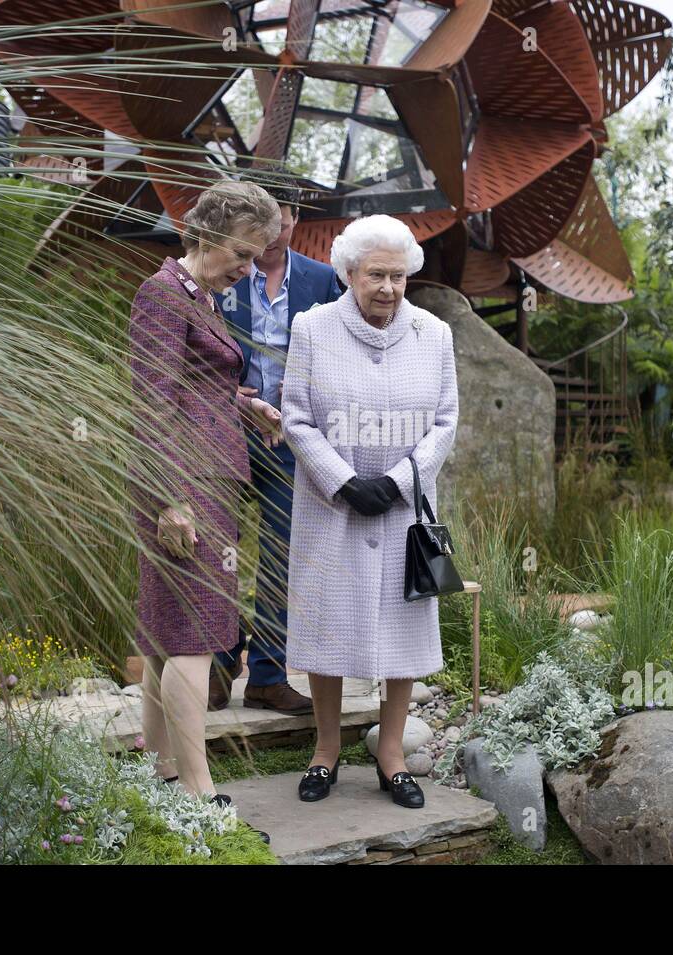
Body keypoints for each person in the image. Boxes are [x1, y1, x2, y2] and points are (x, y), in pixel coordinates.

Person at [279, 214, 459, 809]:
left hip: (404, 511)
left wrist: (401, 481)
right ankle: (325, 751)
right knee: (328, 625)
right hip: (333, 508)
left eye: (398, 275)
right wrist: (344, 481)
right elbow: (296, 416)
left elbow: (445, 421)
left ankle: (392, 754)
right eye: (375, 274)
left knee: (404, 627)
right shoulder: (312, 329)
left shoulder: (433, 334)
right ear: (348, 273)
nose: (388, 286)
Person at [128, 180, 283, 820]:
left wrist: (249, 406)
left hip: (208, 485)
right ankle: (198, 792)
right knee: (192, 638)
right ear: (210, 236)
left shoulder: (201, 299)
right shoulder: (162, 296)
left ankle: (161, 771)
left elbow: (199, 387)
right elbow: (152, 401)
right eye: (244, 255)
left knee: (170, 636)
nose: (249, 269)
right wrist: (171, 500)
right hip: (184, 489)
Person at [213, 182, 342, 714]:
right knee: (213, 551)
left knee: (284, 556)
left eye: (282, 217)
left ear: (293, 220)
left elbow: (343, 352)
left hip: (292, 440)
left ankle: (267, 674)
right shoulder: (218, 274)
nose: (271, 231)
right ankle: (217, 668)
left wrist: (314, 391)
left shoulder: (323, 279)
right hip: (222, 432)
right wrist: (231, 394)